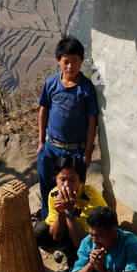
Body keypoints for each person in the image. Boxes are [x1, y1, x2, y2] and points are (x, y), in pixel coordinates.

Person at [37, 36, 98, 209]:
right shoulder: (51, 83)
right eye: (66, 61)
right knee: (47, 190)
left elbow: (92, 120)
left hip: (75, 151)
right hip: (51, 147)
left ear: (82, 61)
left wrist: (87, 152)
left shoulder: (86, 88)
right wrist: (41, 142)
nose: (70, 66)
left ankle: (73, 227)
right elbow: (43, 111)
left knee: (74, 193)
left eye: (75, 61)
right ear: (58, 61)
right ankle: (48, 226)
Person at [33, 156, 106, 265]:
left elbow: (81, 242)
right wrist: (60, 213)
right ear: (56, 179)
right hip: (73, 230)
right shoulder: (54, 194)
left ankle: (72, 258)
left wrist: (69, 212)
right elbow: (56, 236)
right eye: (62, 180)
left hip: (94, 238)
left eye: (72, 180)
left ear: (80, 180)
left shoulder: (91, 199)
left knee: (77, 262)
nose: (66, 185)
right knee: (39, 232)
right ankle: (65, 251)